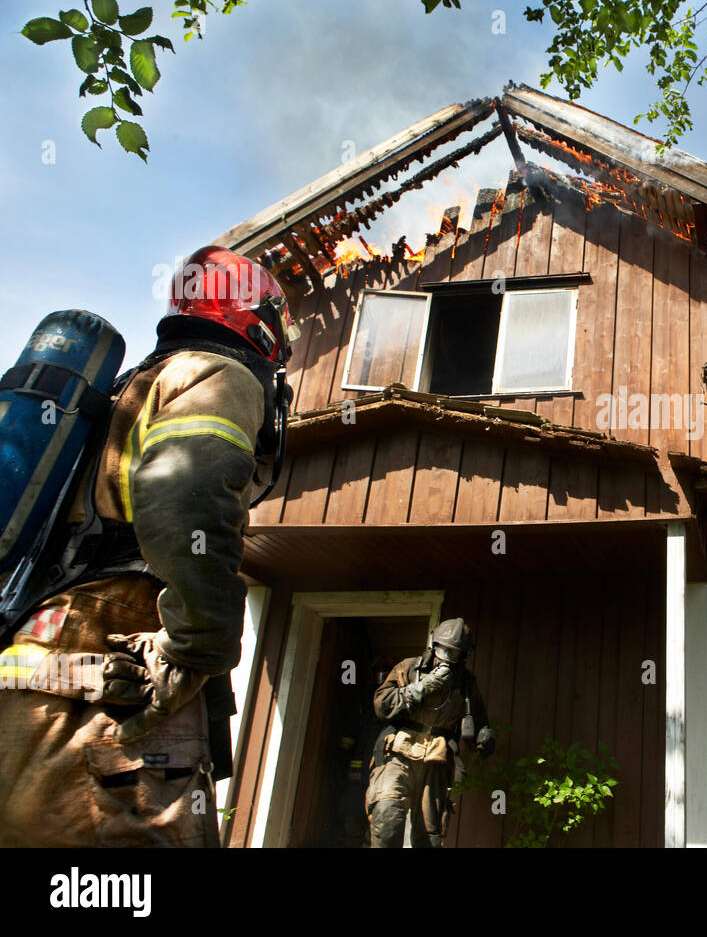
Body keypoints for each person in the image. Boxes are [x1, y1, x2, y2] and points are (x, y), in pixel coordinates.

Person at [0, 246, 297, 847]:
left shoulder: (124, 392)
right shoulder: (218, 375)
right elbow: (186, 489)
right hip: (123, 660)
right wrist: (200, 644)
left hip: (37, 661)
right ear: (255, 319)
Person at [366, 618, 494, 848]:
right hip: (398, 754)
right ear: (434, 645)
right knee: (386, 818)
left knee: (429, 837)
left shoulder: (465, 684)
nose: (447, 657)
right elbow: (382, 705)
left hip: (436, 761)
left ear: (464, 656)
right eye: (444, 649)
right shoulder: (409, 667)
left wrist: (484, 737)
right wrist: (422, 687)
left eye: (455, 653)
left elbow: (478, 721)